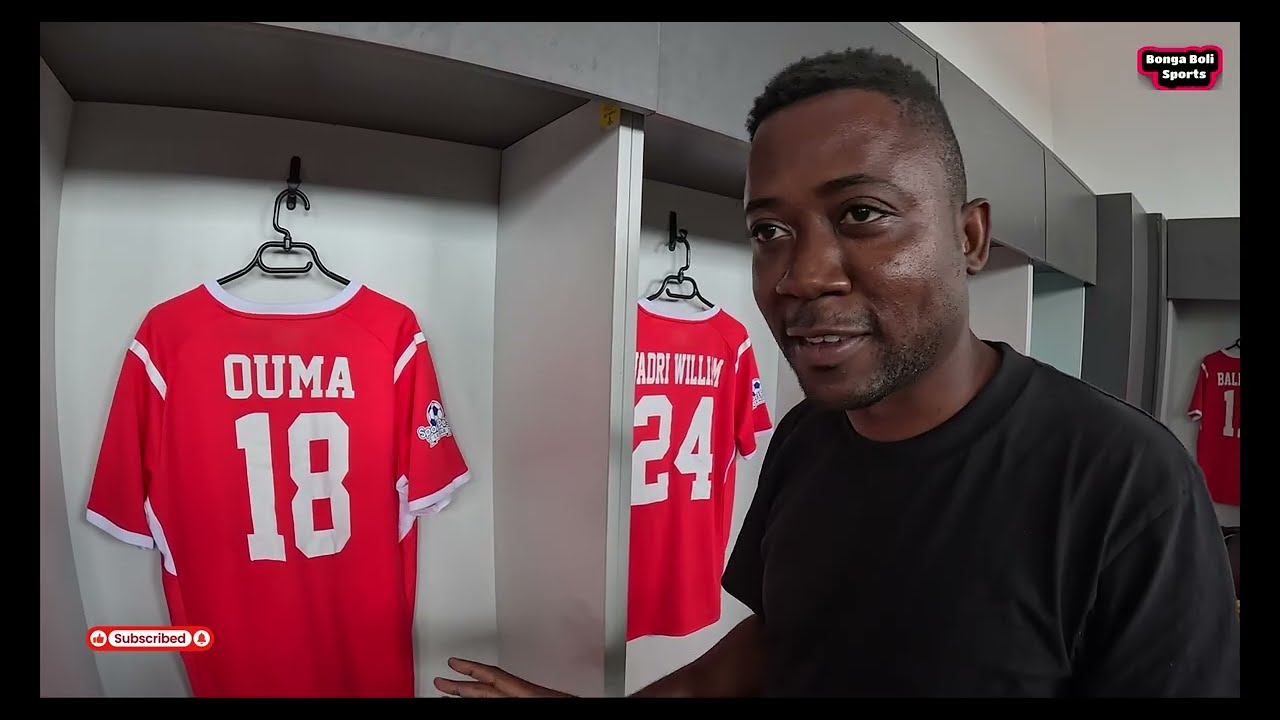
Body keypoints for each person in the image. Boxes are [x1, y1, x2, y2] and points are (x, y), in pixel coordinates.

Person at [434, 47, 1241, 698]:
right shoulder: (804, 439)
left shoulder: (1127, 484)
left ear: (969, 237)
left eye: (861, 213)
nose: (800, 275)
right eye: (770, 230)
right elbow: (773, 647)